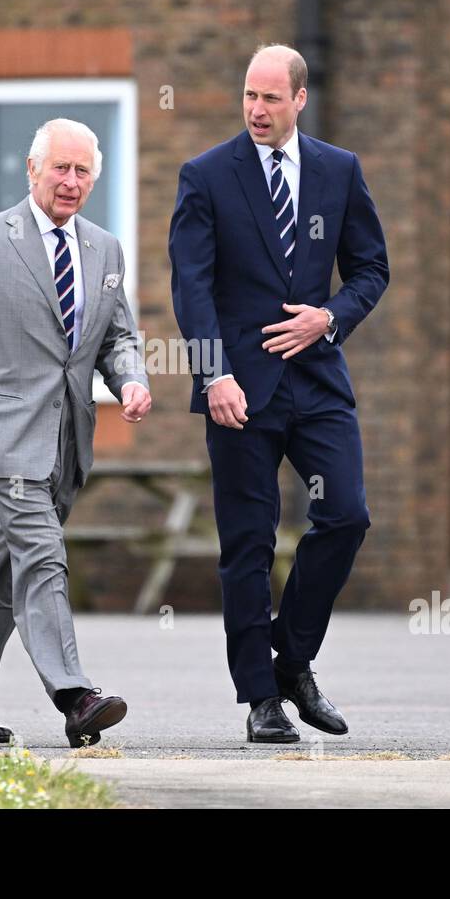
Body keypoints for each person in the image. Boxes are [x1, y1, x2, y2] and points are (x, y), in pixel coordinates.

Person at [0, 118, 151, 748]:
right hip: (2, 433)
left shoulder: (106, 250)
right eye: (60, 169)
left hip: (68, 436)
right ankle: (74, 695)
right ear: (32, 169)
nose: (71, 182)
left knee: (11, 562)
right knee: (42, 554)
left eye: (83, 172)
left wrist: (130, 379)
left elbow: (117, 336)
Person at [168, 45, 389, 744]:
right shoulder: (206, 176)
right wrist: (214, 374)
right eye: (248, 96)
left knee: (346, 516)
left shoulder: (338, 170)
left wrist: (331, 316)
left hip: (318, 380)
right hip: (241, 386)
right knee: (248, 545)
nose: (256, 110)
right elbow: (191, 287)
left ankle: (291, 660)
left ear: (299, 100)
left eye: (270, 98)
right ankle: (259, 697)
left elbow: (371, 268)